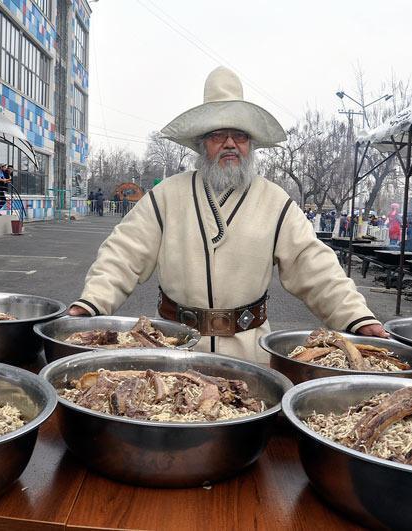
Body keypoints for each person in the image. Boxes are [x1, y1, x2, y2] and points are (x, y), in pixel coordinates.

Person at [66, 66, 385, 363]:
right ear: (202, 143)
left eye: (240, 136)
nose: (230, 144)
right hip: (173, 348)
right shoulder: (166, 196)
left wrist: (357, 317)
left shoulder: (274, 201)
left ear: (251, 144)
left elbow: (314, 266)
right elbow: (123, 254)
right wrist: (91, 302)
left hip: (251, 353)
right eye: (219, 135)